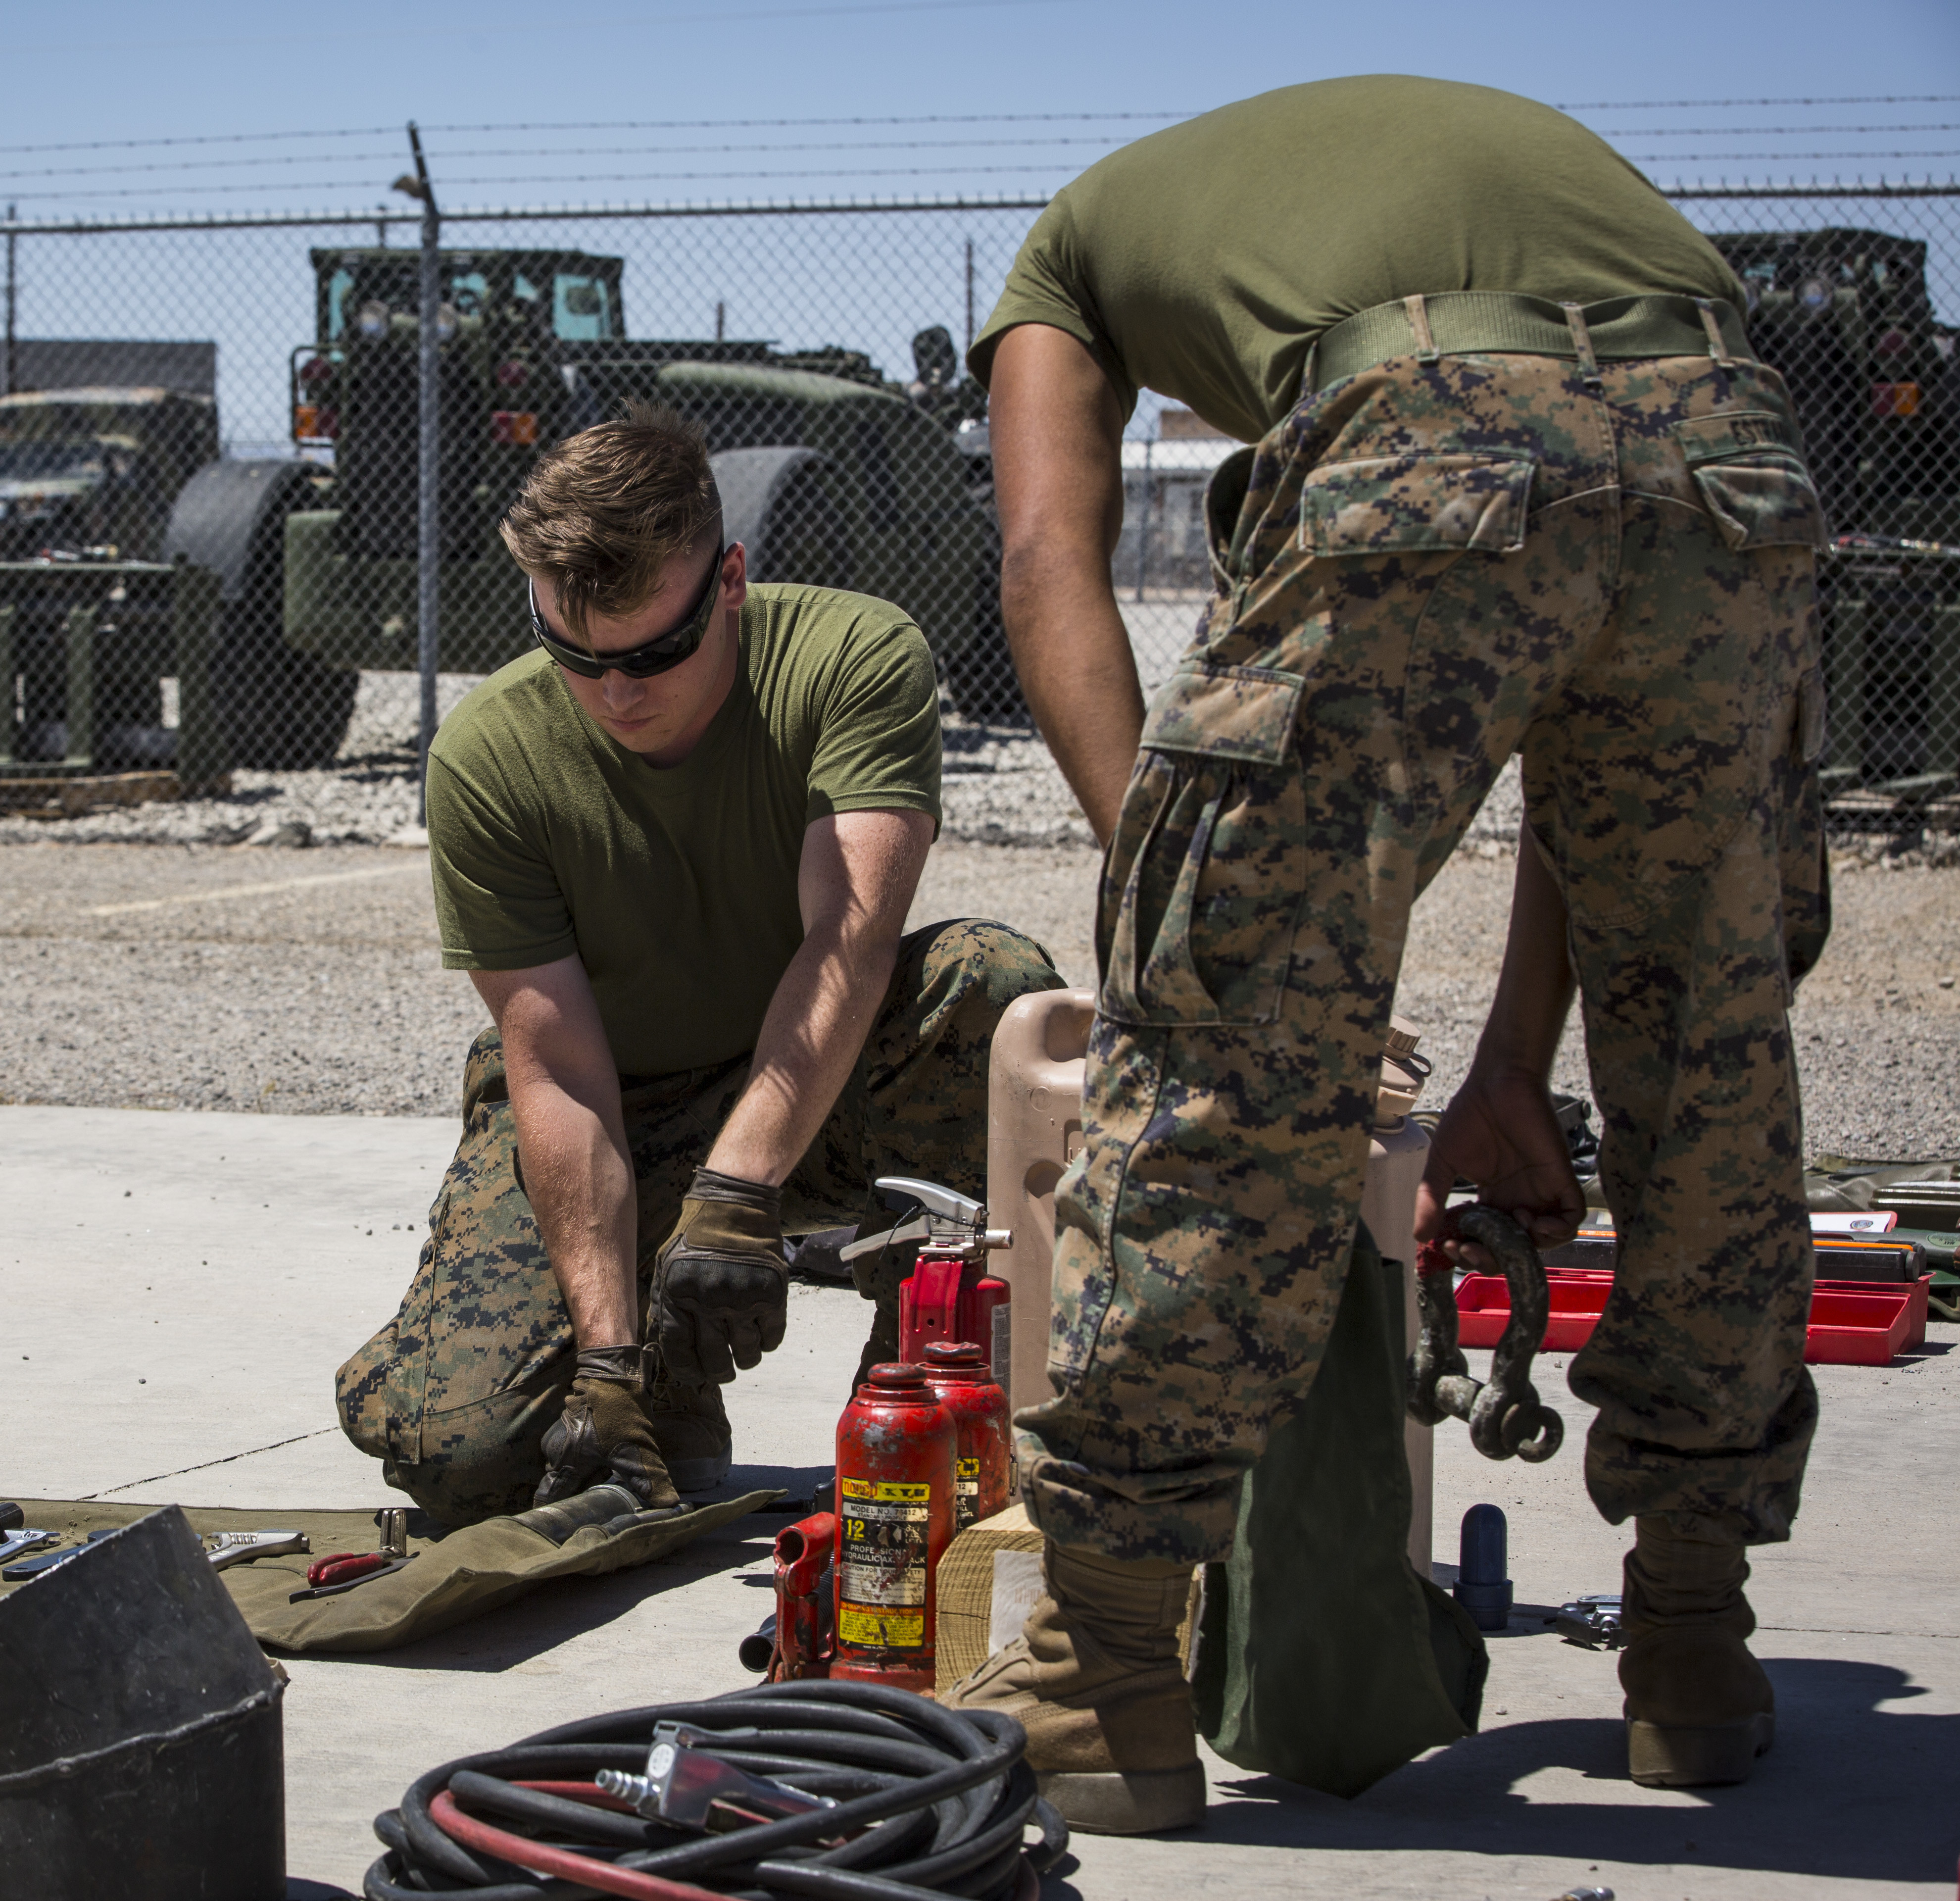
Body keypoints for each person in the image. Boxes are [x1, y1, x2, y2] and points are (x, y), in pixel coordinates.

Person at [950, 73, 1830, 1833]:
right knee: (1710, 1044)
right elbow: (1592, 766)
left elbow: (1050, 558)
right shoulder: (1465, 175)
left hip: (1430, 422)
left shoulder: (1060, 263)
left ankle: (1104, 1672)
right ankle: (1693, 1644)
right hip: (1731, 442)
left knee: (1229, 1063)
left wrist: (1196, 918)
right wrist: (1512, 1064)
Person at [337, 406, 1063, 1526]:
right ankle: (663, 1370)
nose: (617, 694)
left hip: (831, 1079)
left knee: (991, 986)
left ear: (728, 581)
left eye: (653, 654)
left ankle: (930, 1392)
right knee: (459, 1453)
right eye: (576, 658)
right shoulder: (489, 757)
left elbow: (850, 940)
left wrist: (738, 1198)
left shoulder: (852, 657)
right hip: (619, 1102)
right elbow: (558, 1071)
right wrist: (611, 1367)